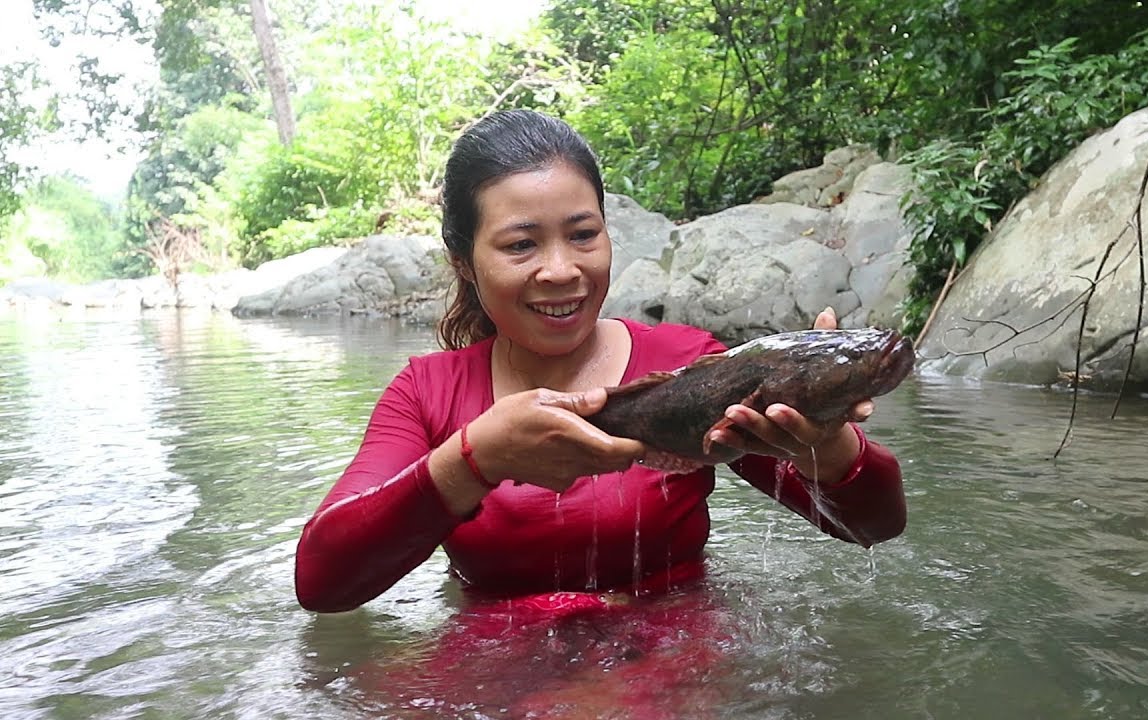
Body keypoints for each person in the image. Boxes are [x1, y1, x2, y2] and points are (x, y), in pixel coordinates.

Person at [293, 109, 906, 615]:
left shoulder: (690, 363)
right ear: (463, 261)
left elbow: (872, 528)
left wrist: (825, 445)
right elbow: (321, 583)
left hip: (674, 665)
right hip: (499, 676)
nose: (561, 270)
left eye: (583, 235)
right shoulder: (427, 393)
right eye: (521, 244)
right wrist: (474, 461)